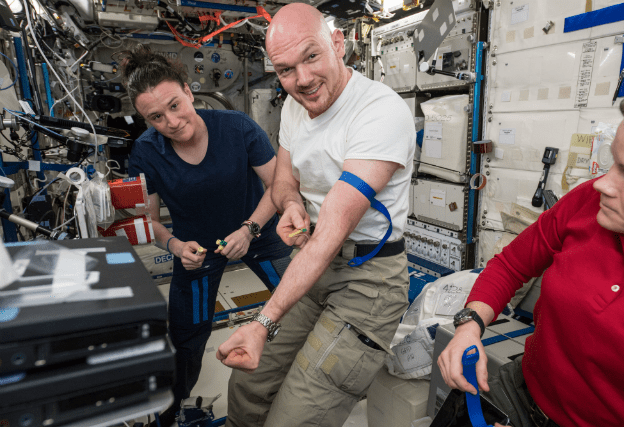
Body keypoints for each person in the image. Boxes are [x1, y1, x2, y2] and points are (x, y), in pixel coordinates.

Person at [215, 4, 416, 426]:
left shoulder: (379, 111)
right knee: (247, 388)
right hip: (314, 268)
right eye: (286, 70)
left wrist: (262, 322)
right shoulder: (293, 108)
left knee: (296, 416)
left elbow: (331, 232)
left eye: (311, 56)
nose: (302, 80)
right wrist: (291, 205)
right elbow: (284, 180)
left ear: (337, 44)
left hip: (368, 282)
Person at [437, 80, 624, 427]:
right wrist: (469, 326)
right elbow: (511, 264)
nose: (603, 184)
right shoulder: (587, 203)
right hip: (517, 393)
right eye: (613, 164)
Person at [120, 45, 293, 427]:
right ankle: (169, 412)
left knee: (299, 305)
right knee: (188, 335)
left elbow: (278, 186)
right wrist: (176, 246)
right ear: (145, 119)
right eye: (156, 117)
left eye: (175, 105)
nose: (171, 121)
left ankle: (301, 386)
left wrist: (250, 229)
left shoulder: (237, 128)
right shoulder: (146, 152)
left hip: (258, 233)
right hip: (197, 251)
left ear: (187, 89)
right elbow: (149, 223)